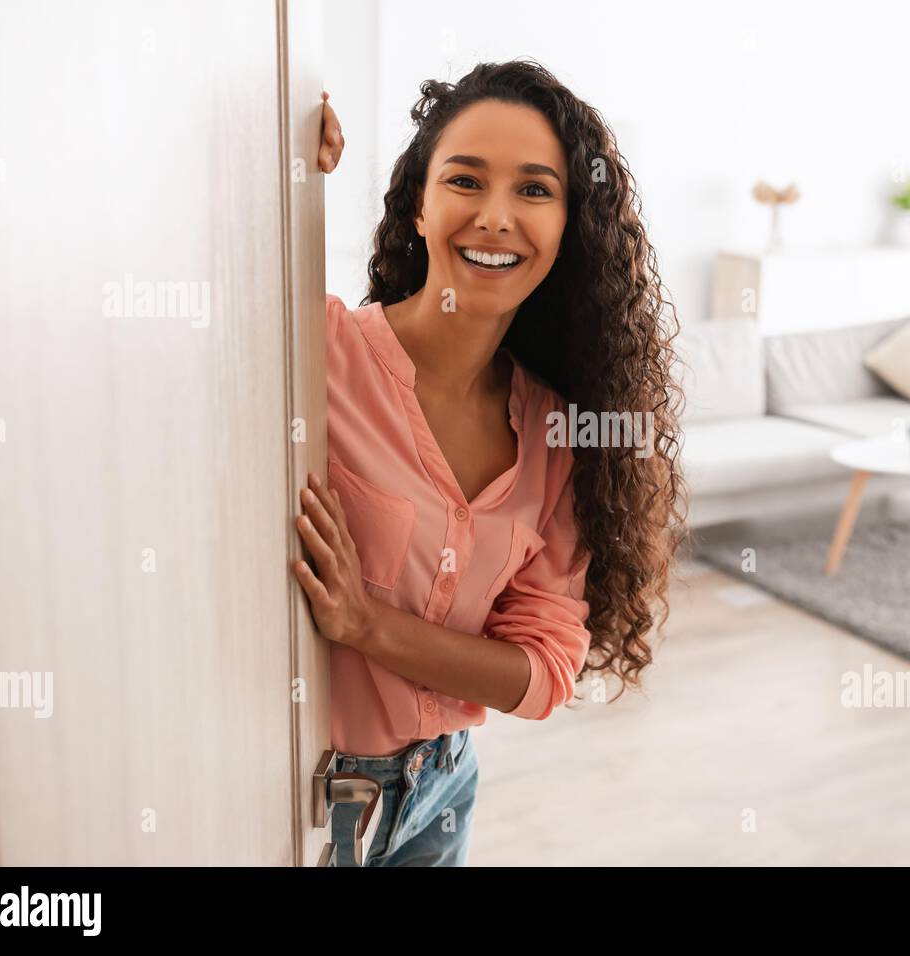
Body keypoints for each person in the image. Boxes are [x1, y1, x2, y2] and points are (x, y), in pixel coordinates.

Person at [293, 61, 686, 866]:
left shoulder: (557, 431)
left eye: (535, 190)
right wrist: (277, 161)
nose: (497, 217)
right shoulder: (315, 351)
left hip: (441, 790)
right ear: (419, 203)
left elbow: (542, 674)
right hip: (303, 798)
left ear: (570, 225)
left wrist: (367, 625)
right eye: (466, 179)